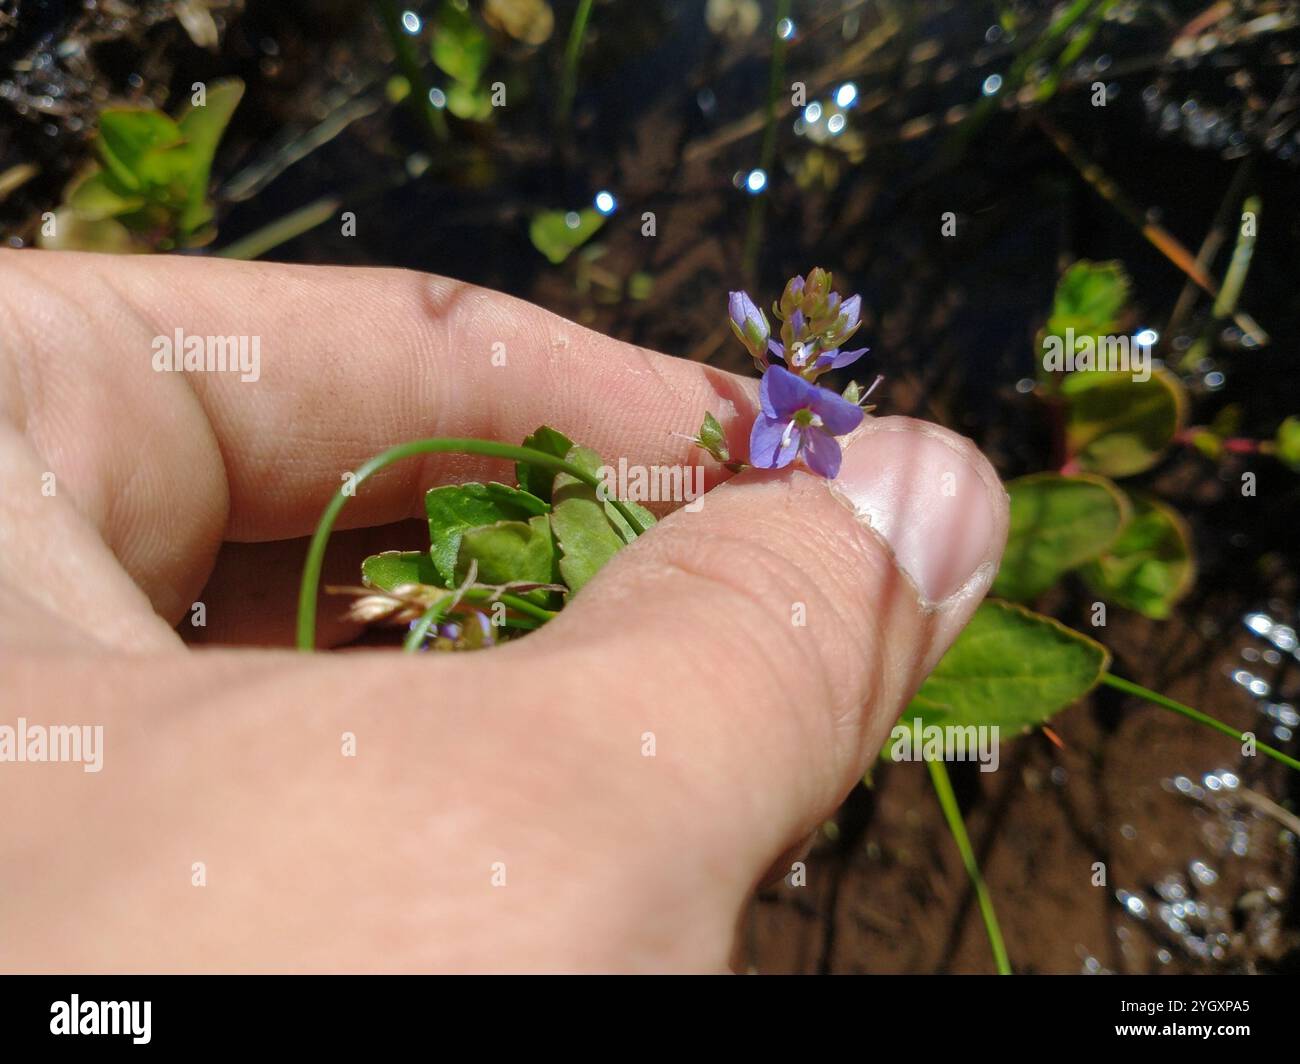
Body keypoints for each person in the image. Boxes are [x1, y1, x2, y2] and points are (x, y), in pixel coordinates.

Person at [0, 250, 1007, 972]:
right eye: (792, 405)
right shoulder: (780, 410)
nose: (797, 420)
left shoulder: (802, 421)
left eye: (806, 409)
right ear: (785, 379)